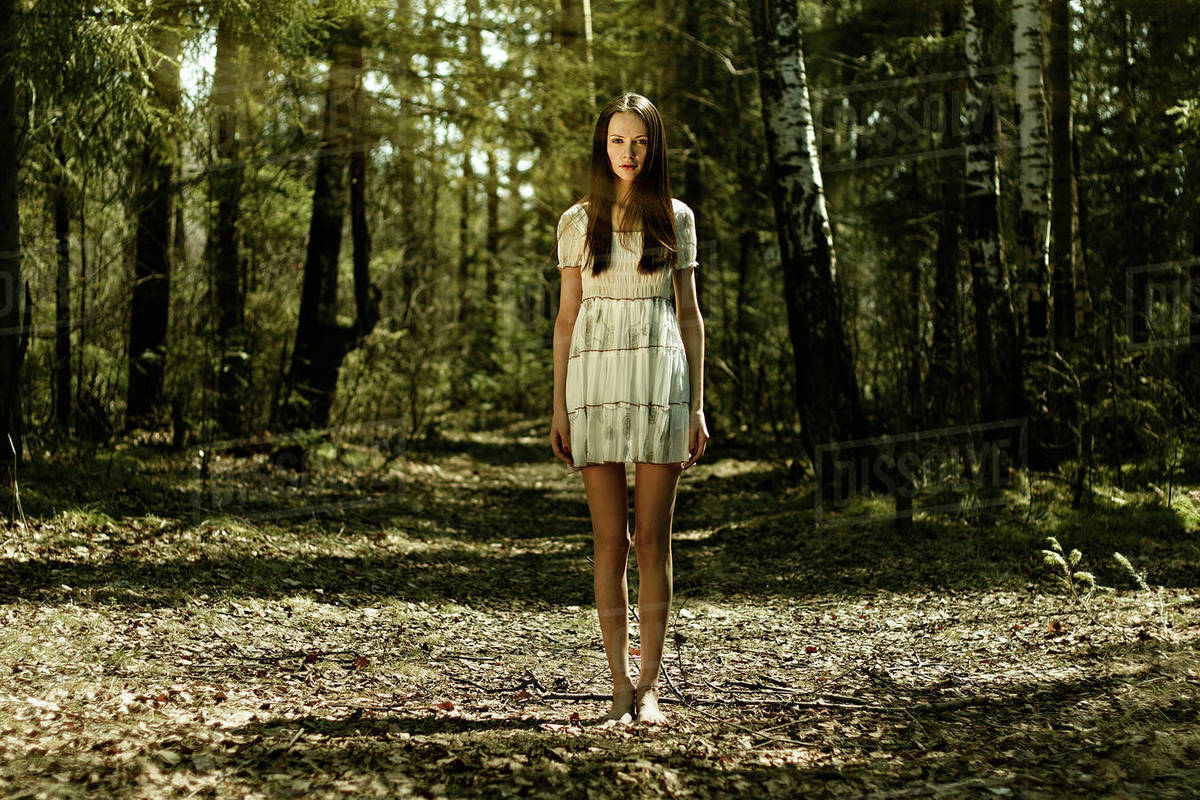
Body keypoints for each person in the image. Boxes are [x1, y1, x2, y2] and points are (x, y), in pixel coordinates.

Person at [548, 92, 709, 726]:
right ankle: (616, 682)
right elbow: (564, 320)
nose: (628, 153)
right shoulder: (576, 222)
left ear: (655, 147)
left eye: (639, 141)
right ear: (601, 145)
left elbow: (691, 316)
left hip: (660, 380)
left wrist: (697, 407)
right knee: (608, 542)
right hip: (593, 382)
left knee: (652, 542)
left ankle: (649, 685)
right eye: (617, 140)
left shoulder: (677, 218)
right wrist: (558, 407)